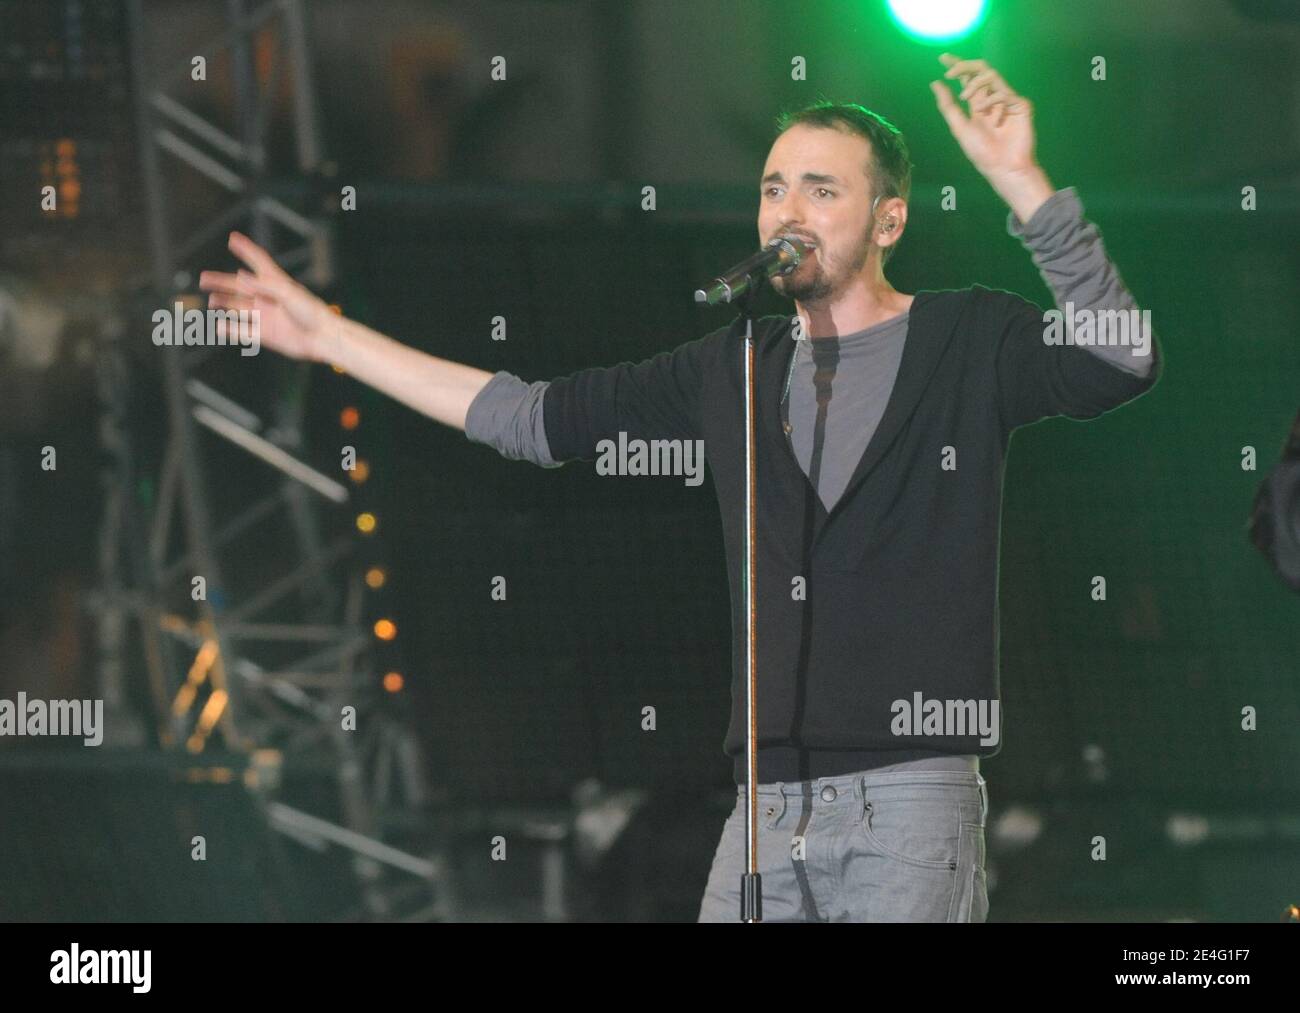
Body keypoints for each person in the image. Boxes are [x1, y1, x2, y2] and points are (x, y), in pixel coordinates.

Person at [200, 54, 1161, 922]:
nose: (787, 210)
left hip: (910, 799)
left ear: (888, 220)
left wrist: (1019, 180)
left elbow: (1123, 357)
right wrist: (327, 337)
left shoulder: (967, 339)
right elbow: (528, 417)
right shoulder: (733, 365)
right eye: (773, 187)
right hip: (764, 806)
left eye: (821, 190)